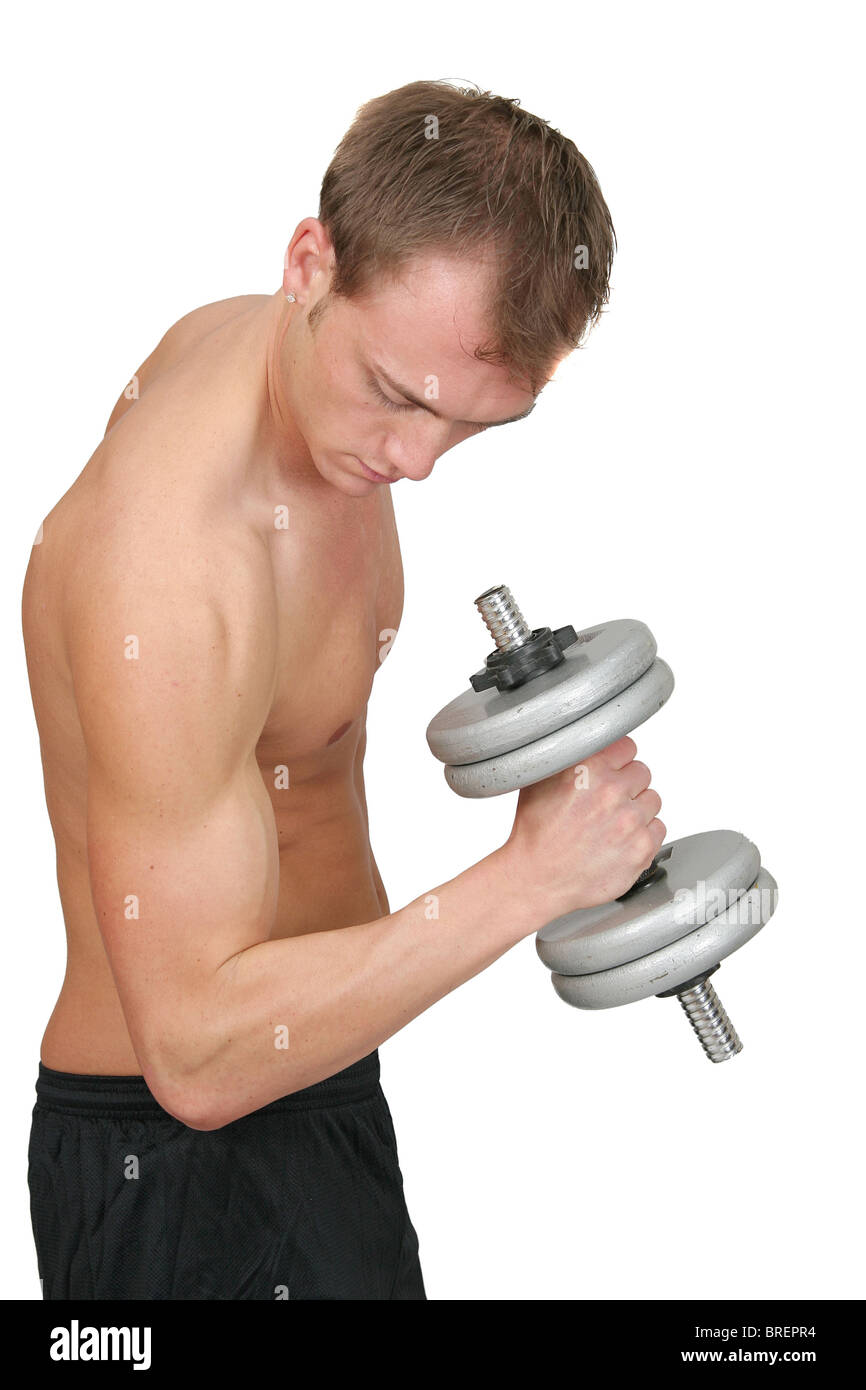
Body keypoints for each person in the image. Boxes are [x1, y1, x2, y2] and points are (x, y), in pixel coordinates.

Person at [22, 79, 663, 1300]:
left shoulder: (284, 356)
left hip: (315, 1100)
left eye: (472, 428)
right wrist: (530, 877)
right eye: (399, 397)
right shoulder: (171, 569)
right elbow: (200, 1058)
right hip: (182, 1167)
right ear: (308, 261)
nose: (415, 464)